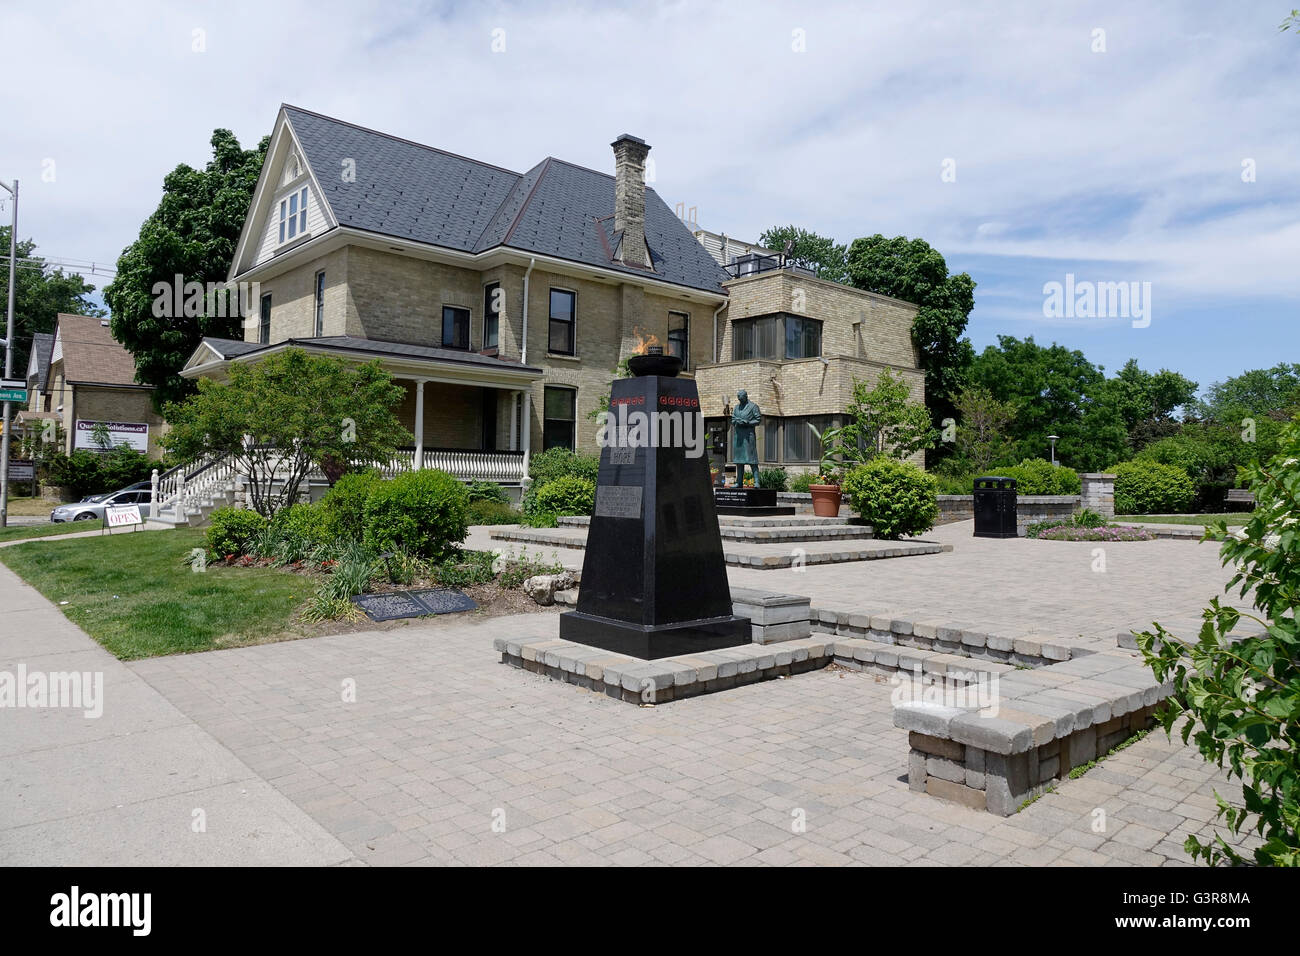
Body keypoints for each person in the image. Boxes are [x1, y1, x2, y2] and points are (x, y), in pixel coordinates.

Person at [731, 389, 761, 487]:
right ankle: (739, 482)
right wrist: (737, 422)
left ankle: (757, 482)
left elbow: (758, 420)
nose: (740, 400)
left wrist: (747, 423)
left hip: (748, 437)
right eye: (738, 398)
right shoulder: (736, 408)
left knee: (752, 460)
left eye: (742, 398)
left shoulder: (753, 407)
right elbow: (733, 419)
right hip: (738, 437)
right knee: (739, 461)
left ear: (746, 396)